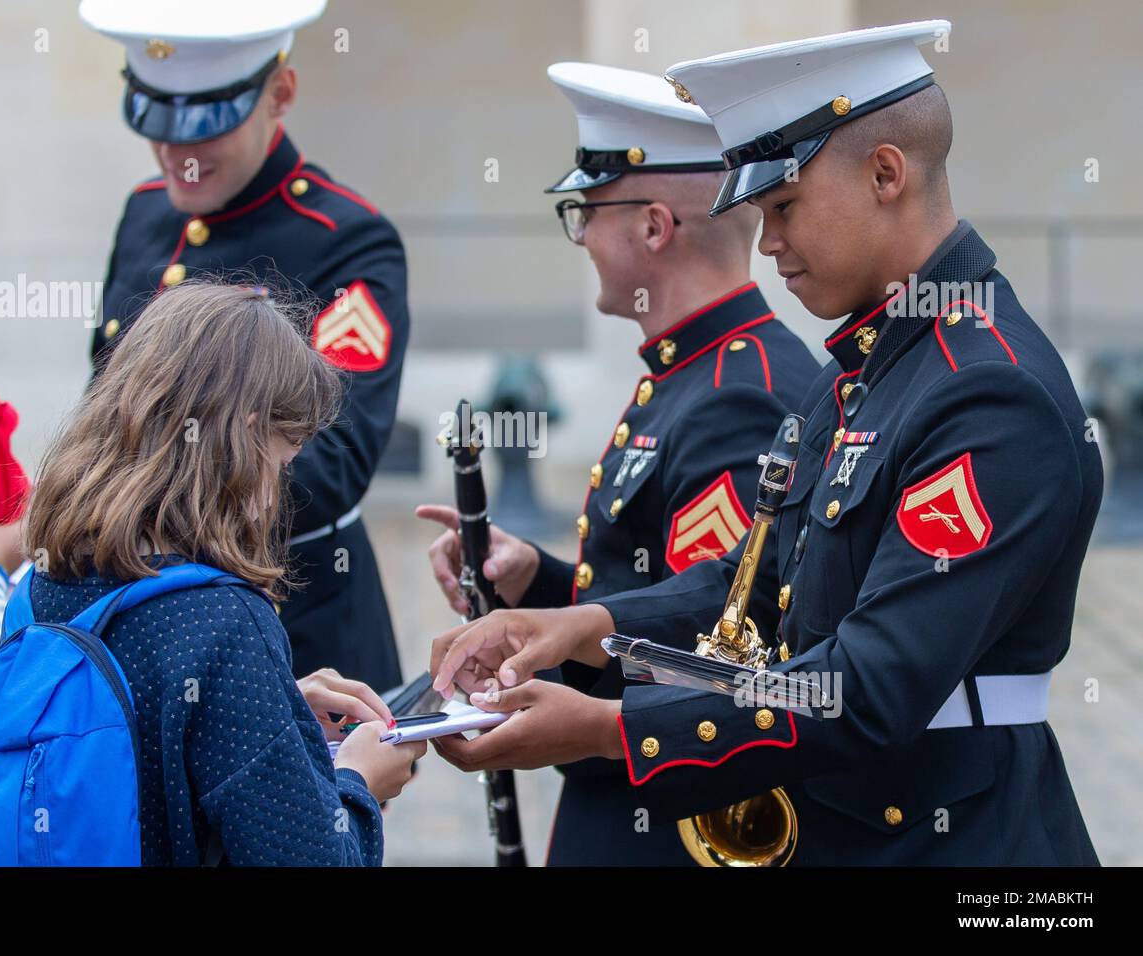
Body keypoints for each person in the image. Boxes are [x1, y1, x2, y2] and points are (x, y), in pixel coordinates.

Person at [428, 20, 1101, 865]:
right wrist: (576, 625)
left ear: (885, 173)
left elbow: (872, 685)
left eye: (782, 207)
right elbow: (759, 576)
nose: (769, 243)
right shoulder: (871, 358)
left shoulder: (989, 389)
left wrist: (612, 730)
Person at [417, 63, 818, 866]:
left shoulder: (740, 392)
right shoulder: (692, 373)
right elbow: (651, 598)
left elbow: (718, 636)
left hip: (663, 812)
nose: (582, 237)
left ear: (653, 226)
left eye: (585, 213)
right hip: (622, 788)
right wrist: (535, 579)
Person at [22, 281, 424, 866]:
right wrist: (361, 782)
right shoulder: (221, 620)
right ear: (244, 440)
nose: (276, 495)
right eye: (282, 462)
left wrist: (275, 706)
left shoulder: (48, 579)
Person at [80, 0, 408, 691]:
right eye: (158, 125)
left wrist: (137, 517)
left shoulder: (343, 236)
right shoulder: (145, 209)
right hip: (148, 615)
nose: (177, 154)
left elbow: (333, 461)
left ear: (280, 94)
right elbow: (104, 407)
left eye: (204, 126)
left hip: (296, 627)